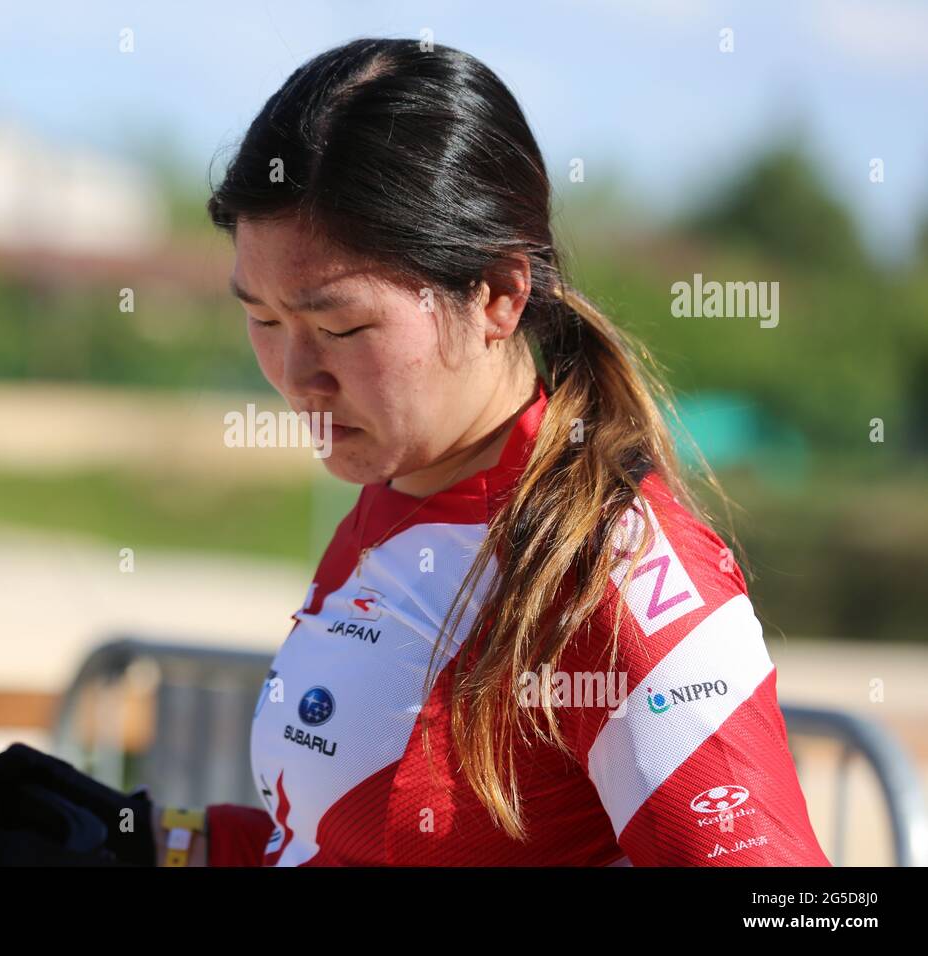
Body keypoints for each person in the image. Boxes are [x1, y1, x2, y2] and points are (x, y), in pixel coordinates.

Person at [142, 37, 830, 867]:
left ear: (499, 295)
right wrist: (154, 842)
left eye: (341, 327)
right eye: (261, 318)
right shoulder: (403, 479)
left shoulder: (611, 568)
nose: (296, 378)